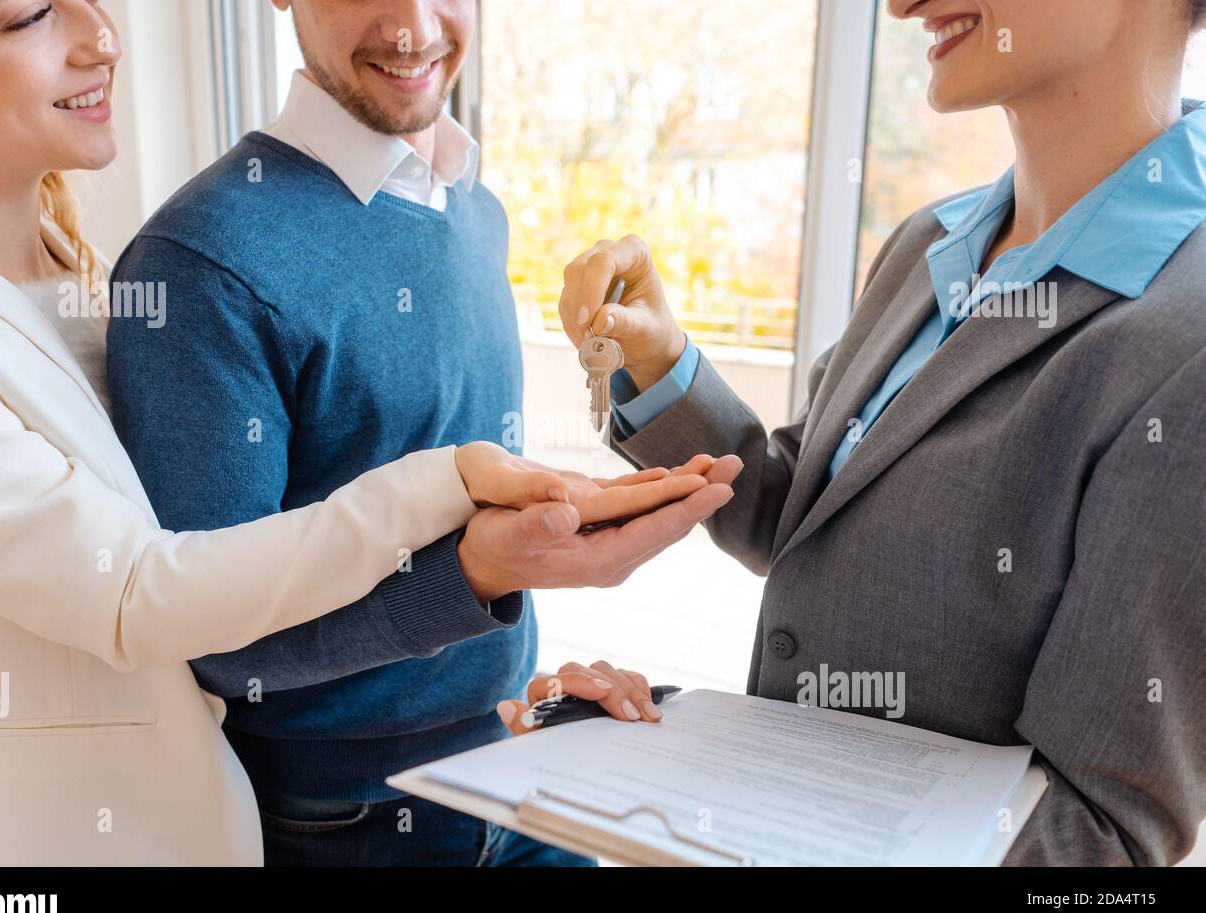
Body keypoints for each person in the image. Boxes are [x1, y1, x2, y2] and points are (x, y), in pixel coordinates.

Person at [0, 0, 735, 866]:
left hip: (509, 763)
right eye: (31, 14)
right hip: (314, 818)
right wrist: (470, 535)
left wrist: (535, 676)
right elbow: (167, 605)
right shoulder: (197, 263)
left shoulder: (467, 208)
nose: (104, 39)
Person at [513, 0, 1206, 865]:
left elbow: (1100, 848)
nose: (899, 4)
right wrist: (664, 368)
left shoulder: (1189, 342)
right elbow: (799, 511)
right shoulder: (931, 241)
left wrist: (729, 798)